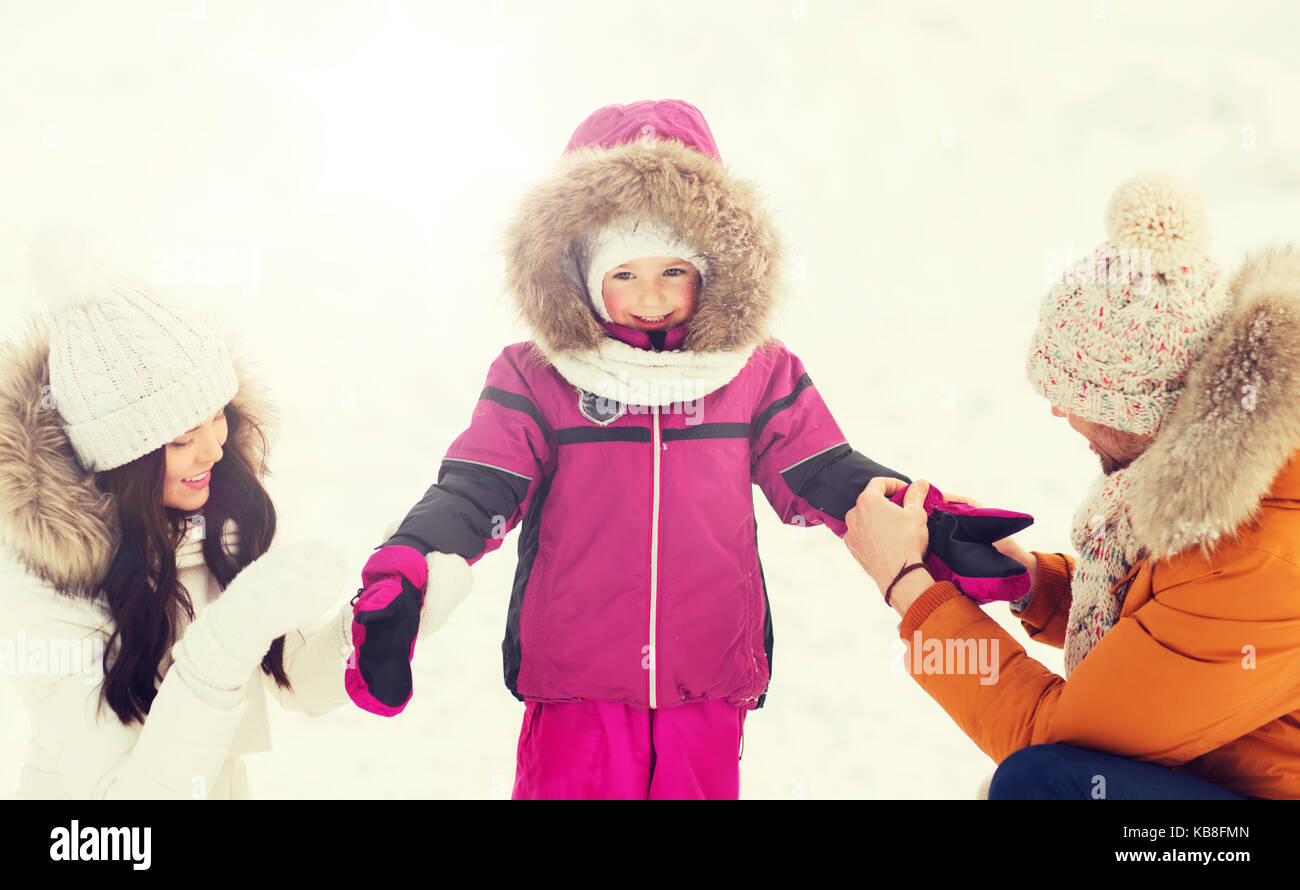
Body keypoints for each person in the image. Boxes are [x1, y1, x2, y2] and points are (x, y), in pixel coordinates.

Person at [345, 99, 909, 799]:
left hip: (705, 683)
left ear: (714, 266)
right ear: (581, 272)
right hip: (577, 692)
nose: (650, 298)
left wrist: (929, 521)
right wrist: (409, 565)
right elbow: (478, 490)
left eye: (674, 270)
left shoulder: (754, 372)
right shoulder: (537, 374)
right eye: (624, 273)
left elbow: (824, 473)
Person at [844, 173, 1300, 799]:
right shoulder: (1227, 483)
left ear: (1141, 411)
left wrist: (906, 589)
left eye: (1076, 397)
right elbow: (1162, 636)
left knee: (1044, 787)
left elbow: (1052, 736)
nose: (1060, 414)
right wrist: (1032, 583)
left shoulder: (1257, 554)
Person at [0, 230, 353, 799]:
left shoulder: (218, 517)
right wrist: (224, 640)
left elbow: (295, 675)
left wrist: (375, 625)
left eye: (218, 416)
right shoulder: (44, 582)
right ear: (123, 458)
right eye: (184, 437)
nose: (215, 449)